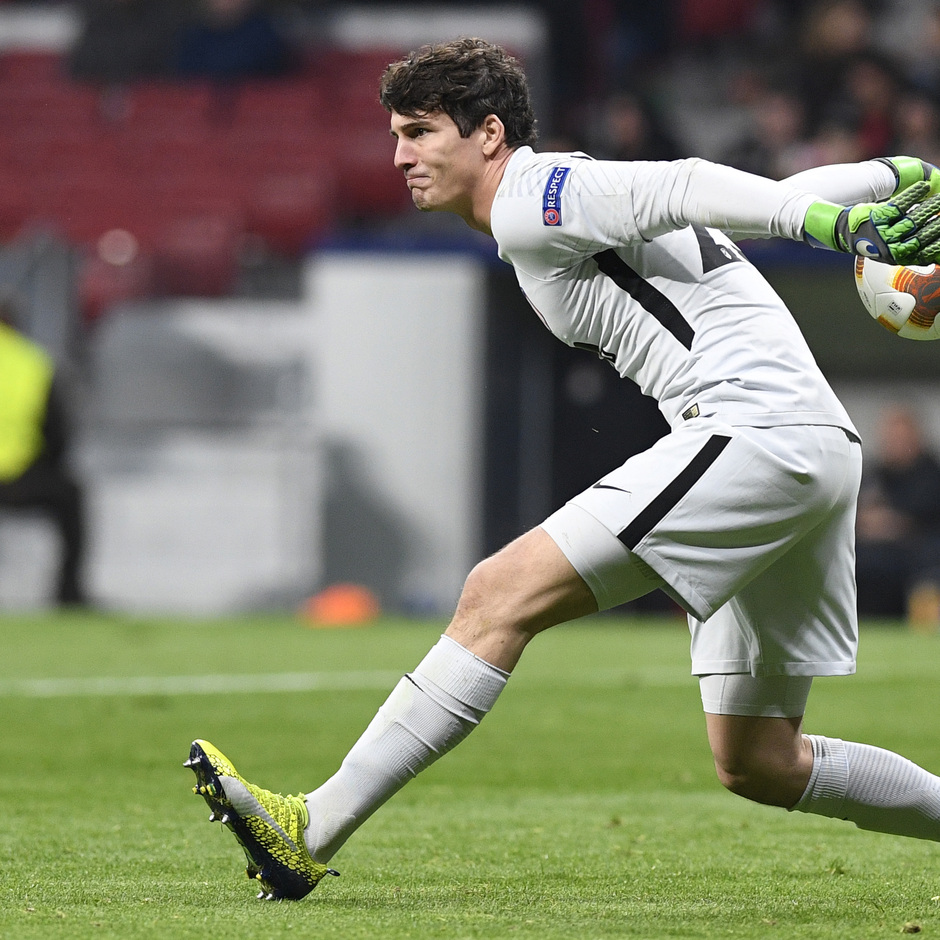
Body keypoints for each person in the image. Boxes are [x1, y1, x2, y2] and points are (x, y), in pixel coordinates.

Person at [186, 38, 940, 901]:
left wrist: (830, 228)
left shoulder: (535, 195)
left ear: (490, 134)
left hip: (753, 433)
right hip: (812, 448)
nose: (400, 155)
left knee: (495, 595)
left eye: (422, 131)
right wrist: (895, 175)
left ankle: (310, 829)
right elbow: (754, 198)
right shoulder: (571, 200)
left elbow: (691, 181)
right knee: (762, 762)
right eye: (397, 134)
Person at [0, 298, 88, 607]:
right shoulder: (33, 362)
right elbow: (57, 433)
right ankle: (69, 592)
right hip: (21, 476)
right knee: (72, 497)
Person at [855, 403, 940, 625]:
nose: (894, 442)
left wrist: (888, 522)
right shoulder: (875, 474)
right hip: (874, 559)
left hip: (918, 559)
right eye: (889, 436)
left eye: (900, 435)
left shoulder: (930, 474)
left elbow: (920, 517)